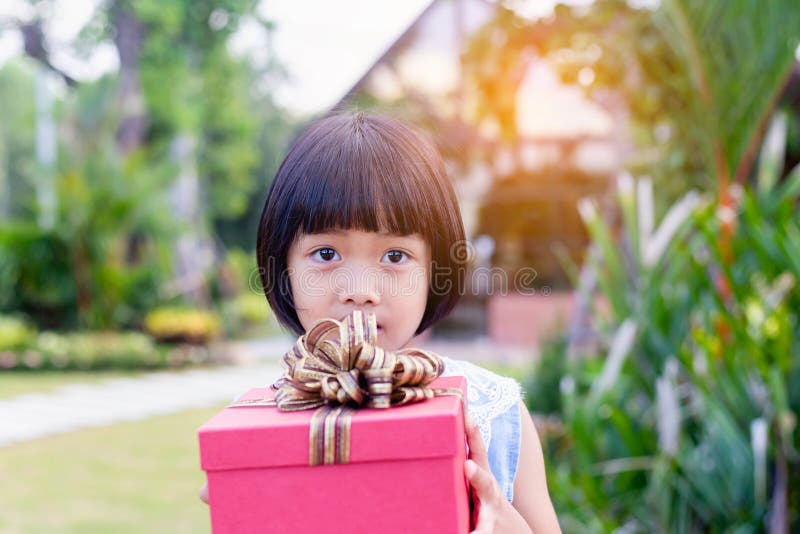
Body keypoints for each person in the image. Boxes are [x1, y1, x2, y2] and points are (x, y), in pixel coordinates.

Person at [200, 111, 561, 533]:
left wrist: (499, 518)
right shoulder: (264, 424)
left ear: (434, 269)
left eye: (394, 255)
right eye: (326, 254)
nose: (360, 290)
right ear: (284, 268)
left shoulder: (494, 413)